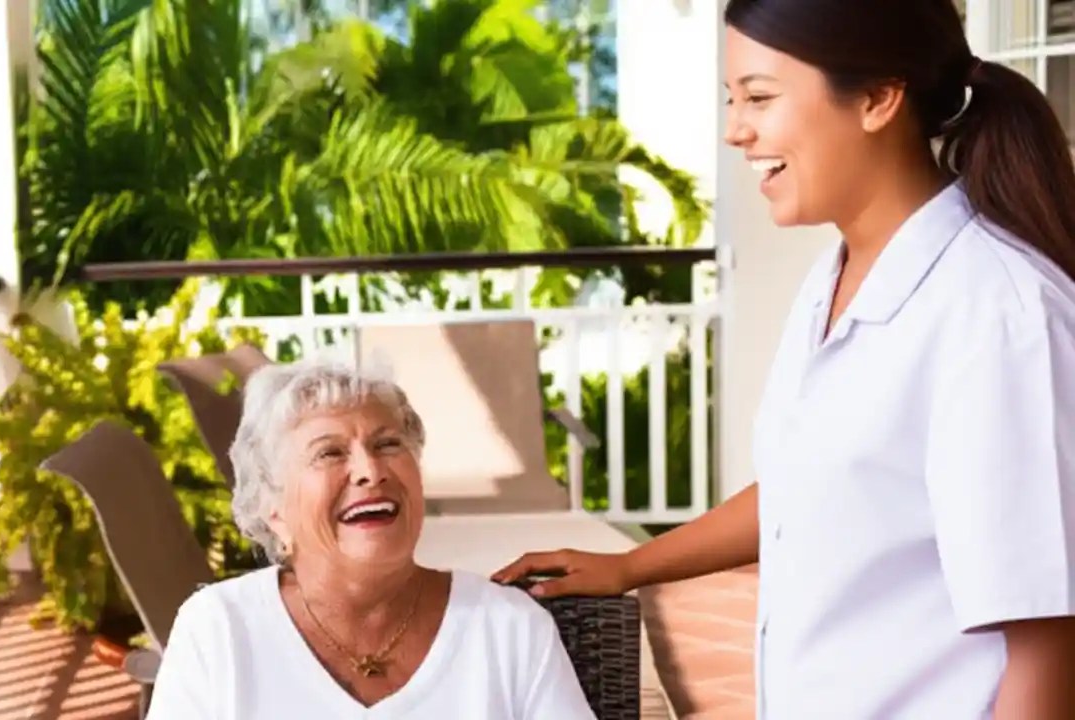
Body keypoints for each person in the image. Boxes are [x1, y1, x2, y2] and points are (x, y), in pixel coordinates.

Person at [495, 1, 1075, 717]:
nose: (736, 130)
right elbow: (810, 485)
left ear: (876, 98)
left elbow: (1048, 640)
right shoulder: (835, 278)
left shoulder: (998, 314)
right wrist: (628, 567)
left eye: (760, 98)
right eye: (732, 100)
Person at [145, 358, 595, 719]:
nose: (370, 470)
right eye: (330, 453)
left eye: (387, 445)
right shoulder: (218, 632)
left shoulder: (508, 630)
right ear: (275, 511)